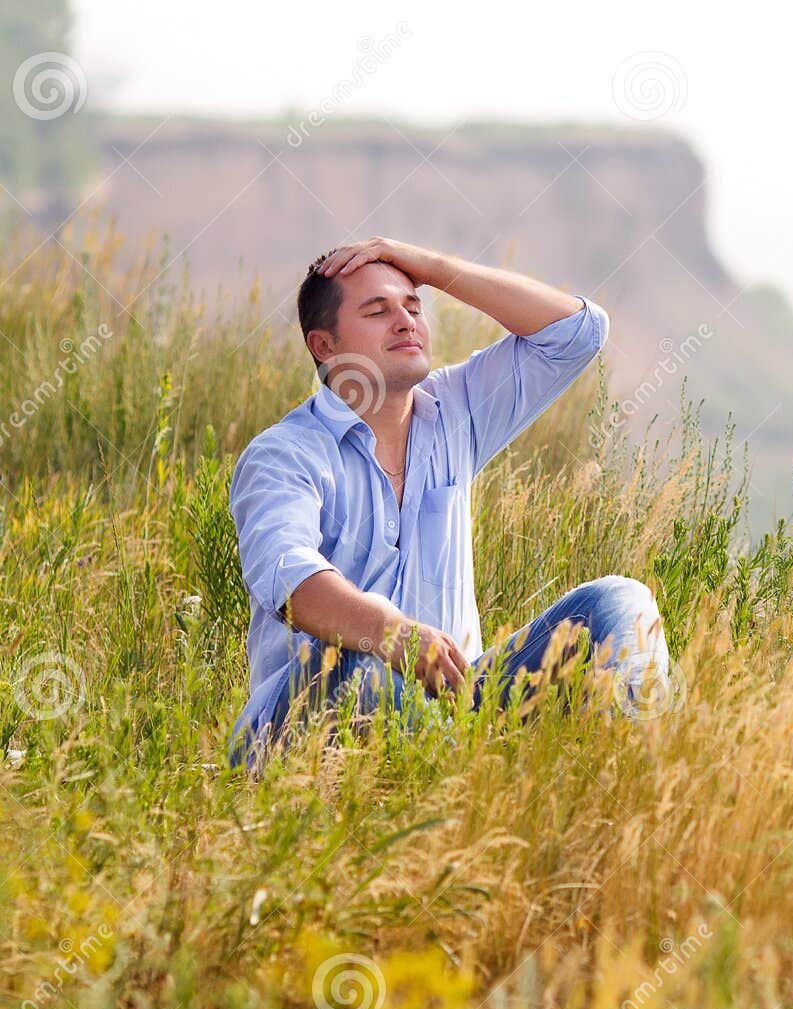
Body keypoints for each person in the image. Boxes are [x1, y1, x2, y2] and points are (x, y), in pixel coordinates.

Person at [224, 237, 669, 771]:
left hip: (455, 709)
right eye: (377, 310)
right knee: (354, 661)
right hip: (300, 732)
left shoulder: (454, 410)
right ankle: (477, 781)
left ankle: (641, 789)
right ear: (324, 346)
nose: (407, 321)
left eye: (414, 307)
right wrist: (394, 634)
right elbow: (290, 582)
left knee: (621, 603)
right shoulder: (283, 455)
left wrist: (432, 268)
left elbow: (577, 334)